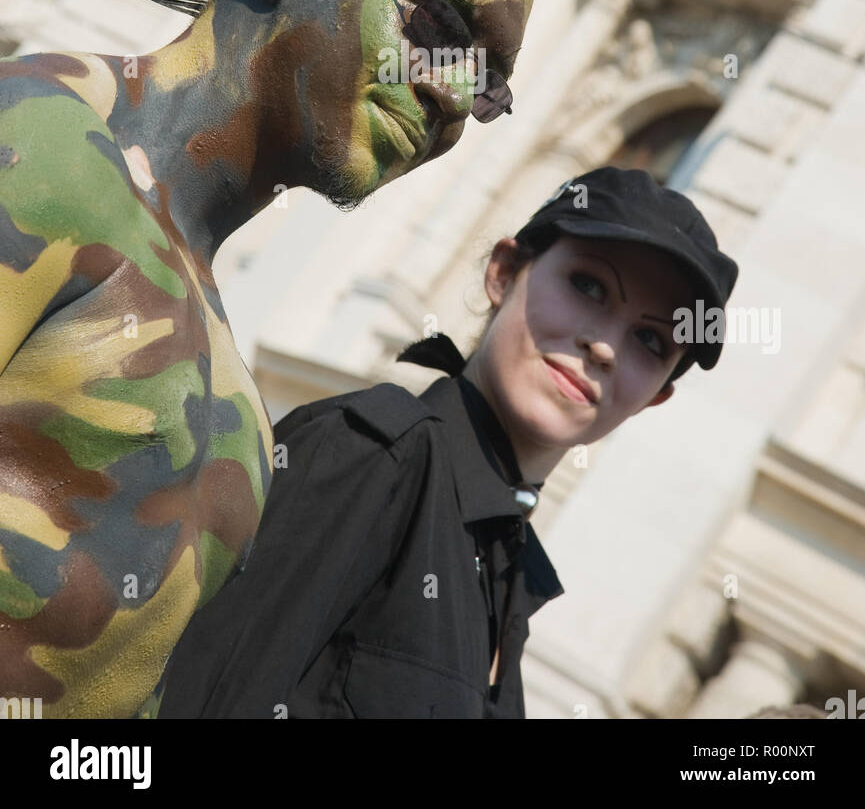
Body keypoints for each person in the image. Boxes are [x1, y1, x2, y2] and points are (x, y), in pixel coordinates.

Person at [0, 0, 723, 718]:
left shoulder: (239, 397)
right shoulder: (40, 149)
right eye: (435, 23)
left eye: (485, 79)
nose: (447, 90)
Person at [158, 165, 739, 720]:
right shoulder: (373, 457)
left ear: (656, 396)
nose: (606, 347)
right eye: (589, 285)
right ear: (503, 272)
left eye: (650, 340)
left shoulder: (510, 580)